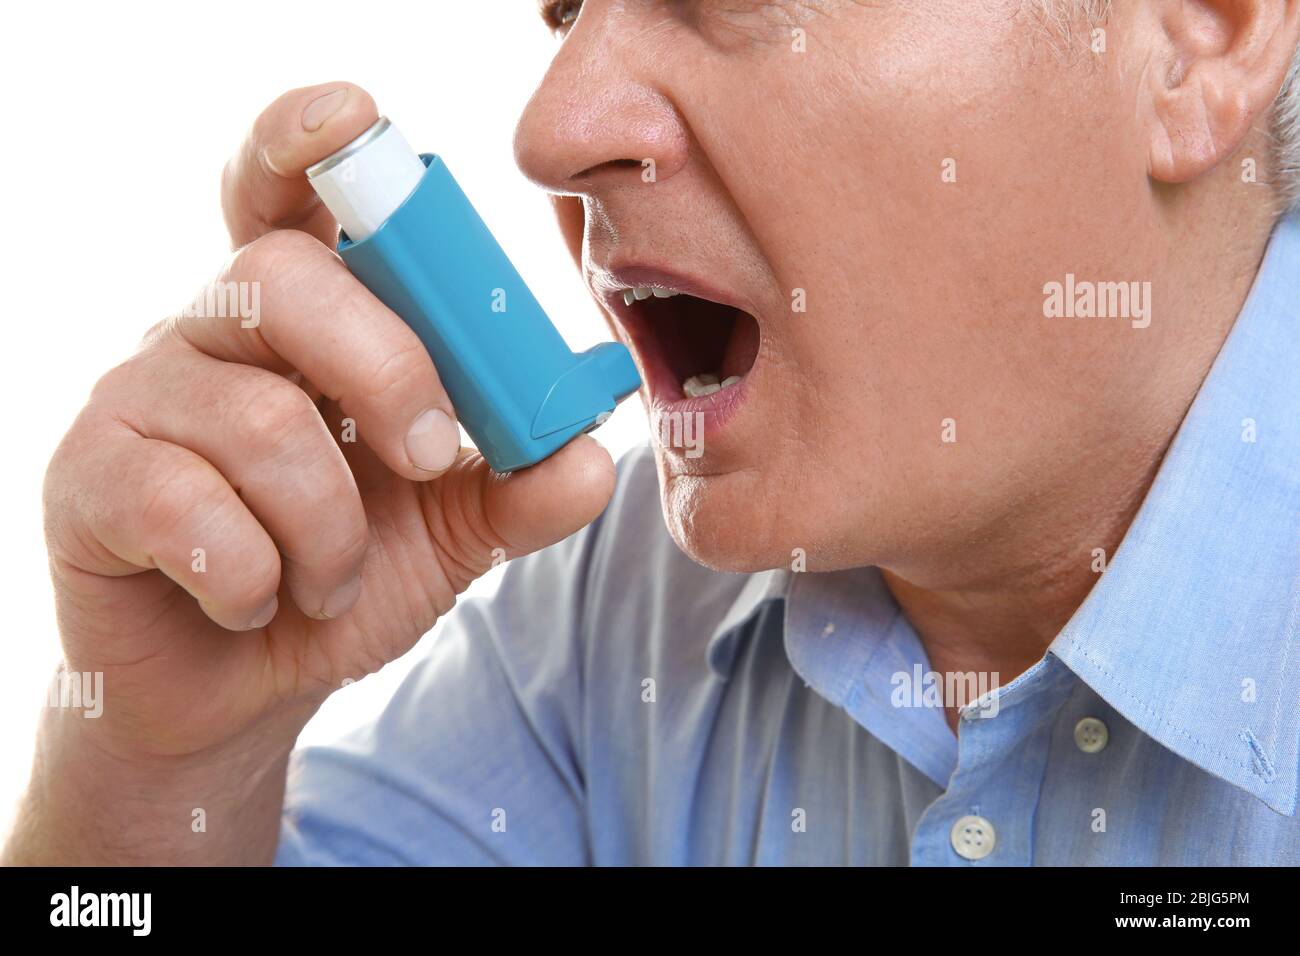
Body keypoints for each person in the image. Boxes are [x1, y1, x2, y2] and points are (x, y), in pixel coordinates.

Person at [5, 0, 1299, 866]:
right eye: (565, 2)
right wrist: (158, 758)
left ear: (1200, 37)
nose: (550, 132)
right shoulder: (615, 614)